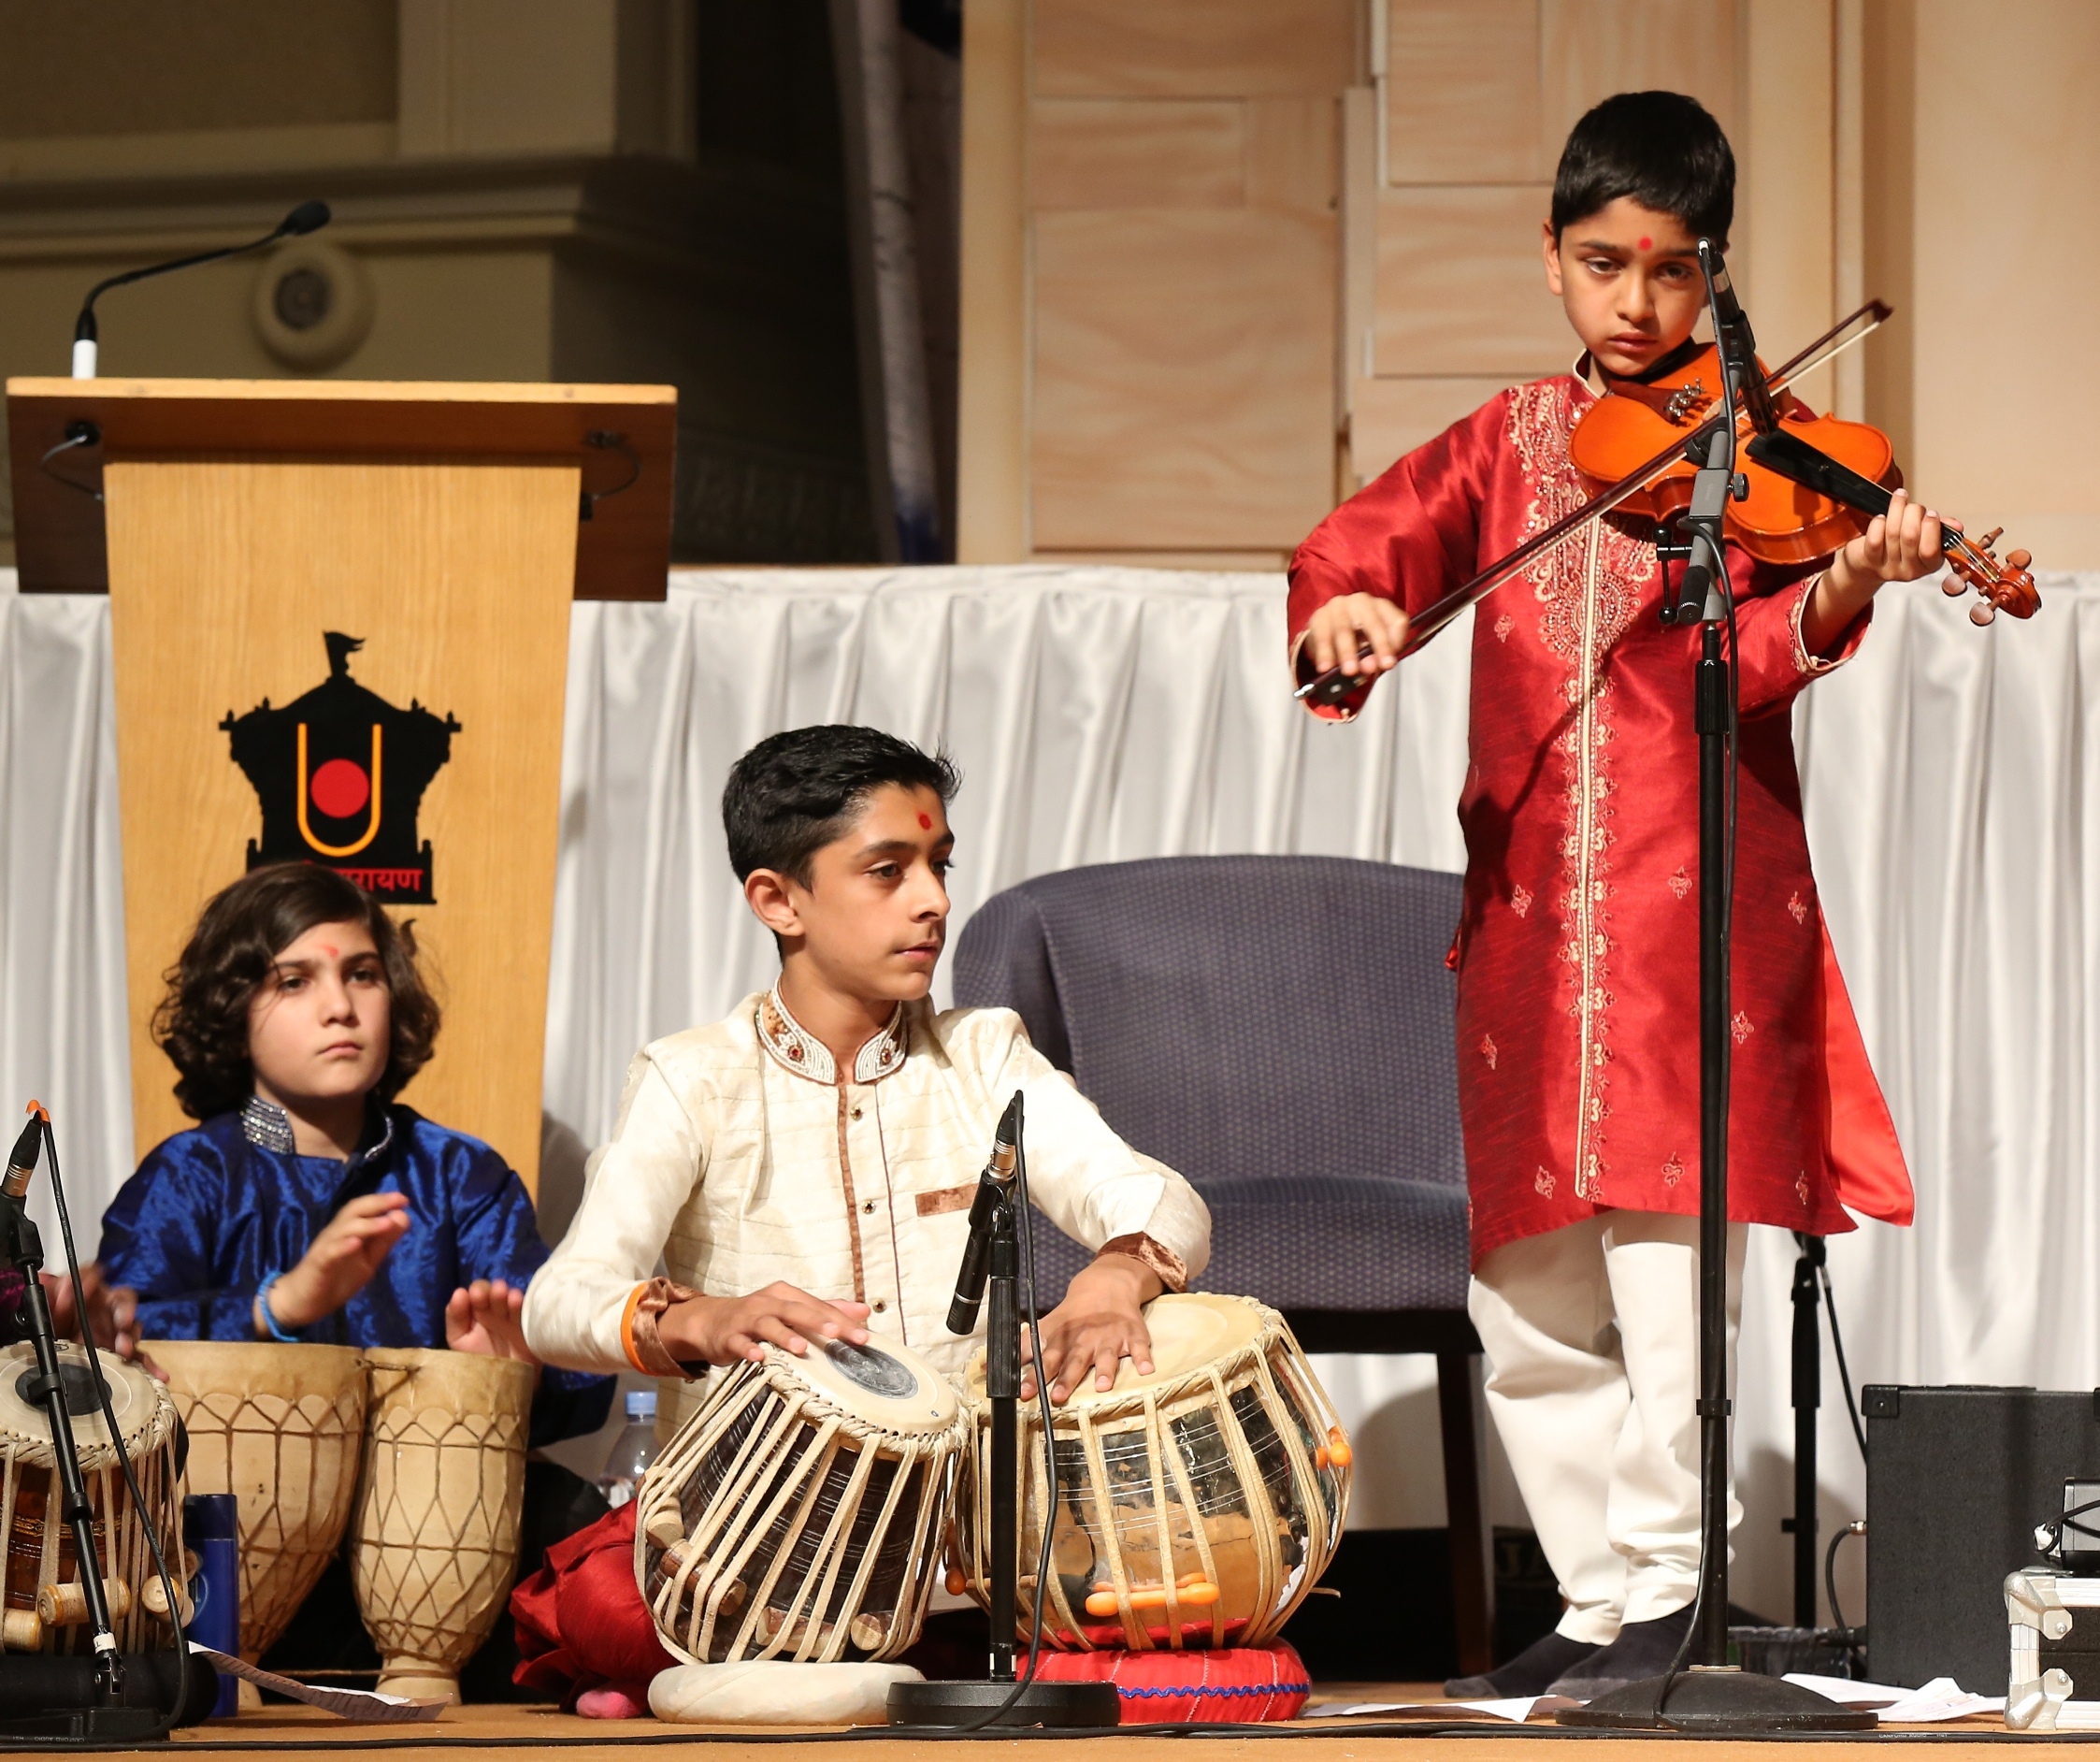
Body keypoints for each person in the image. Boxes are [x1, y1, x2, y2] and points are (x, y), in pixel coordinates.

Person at [1288, 92, 1924, 1700]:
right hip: (1524, 925)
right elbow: (1371, 541)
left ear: (1712, 272)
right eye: (1600, 265)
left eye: (1669, 271)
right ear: (1553, 260)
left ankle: (1671, 1585)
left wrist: (1843, 577)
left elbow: (1764, 657)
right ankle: (1589, 1591)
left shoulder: (1761, 448)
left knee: (1666, 1267)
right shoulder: (1505, 442)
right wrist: (1352, 608)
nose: (1634, 304)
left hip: (1687, 910)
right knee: (1527, 1286)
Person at [516, 725, 1211, 1711]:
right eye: (886, 871)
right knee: (601, 1600)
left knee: (1159, 1613)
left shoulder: (982, 1057)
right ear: (777, 899)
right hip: (762, 1537)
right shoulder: (694, 1077)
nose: (932, 901)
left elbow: (1156, 1196)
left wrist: (1111, 1277)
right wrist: (698, 1320)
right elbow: (559, 1303)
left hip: (965, 1541)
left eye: (938, 865)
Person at [97, 863, 612, 1448]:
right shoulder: (189, 1176)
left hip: (429, 1518)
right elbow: (113, 1353)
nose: (340, 1006)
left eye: (362, 974)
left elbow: (572, 1357)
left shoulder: (460, 1176)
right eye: (294, 982)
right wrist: (278, 1305)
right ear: (234, 1010)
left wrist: (520, 1369)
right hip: (220, 1524)